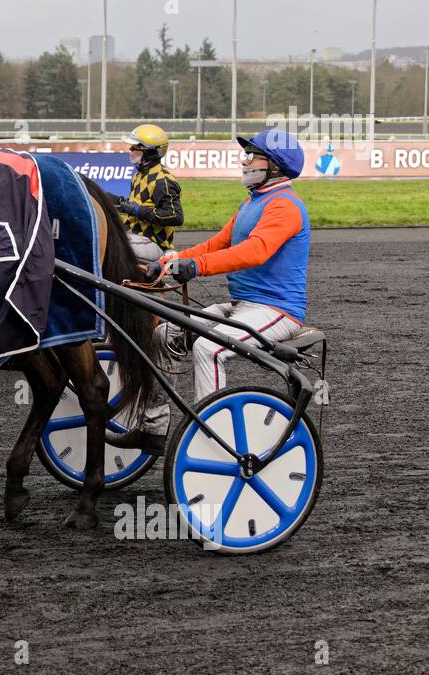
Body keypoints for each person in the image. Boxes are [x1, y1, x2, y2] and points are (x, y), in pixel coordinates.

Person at [118, 128, 310, 455]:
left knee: (210, 348)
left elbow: (255, 251)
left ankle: (216, 442)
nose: (244, 160)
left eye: (252, 154)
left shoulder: (285, 205)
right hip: (243, 306)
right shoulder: (254, 202)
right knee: (166, 335)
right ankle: (152, 426)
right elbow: (218, 243)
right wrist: (173, 259)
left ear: (274, 165)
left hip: (277, 311)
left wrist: (197, 267)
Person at [116, 124, 183, 262]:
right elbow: (132, 217)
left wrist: (138, 211)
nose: (130, 149)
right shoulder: (139, 175)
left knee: (111, 246)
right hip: (136, 238)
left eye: (135, 147)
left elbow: (175, 216)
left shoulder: (162, 180)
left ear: (150, 152)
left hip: (155, 244)